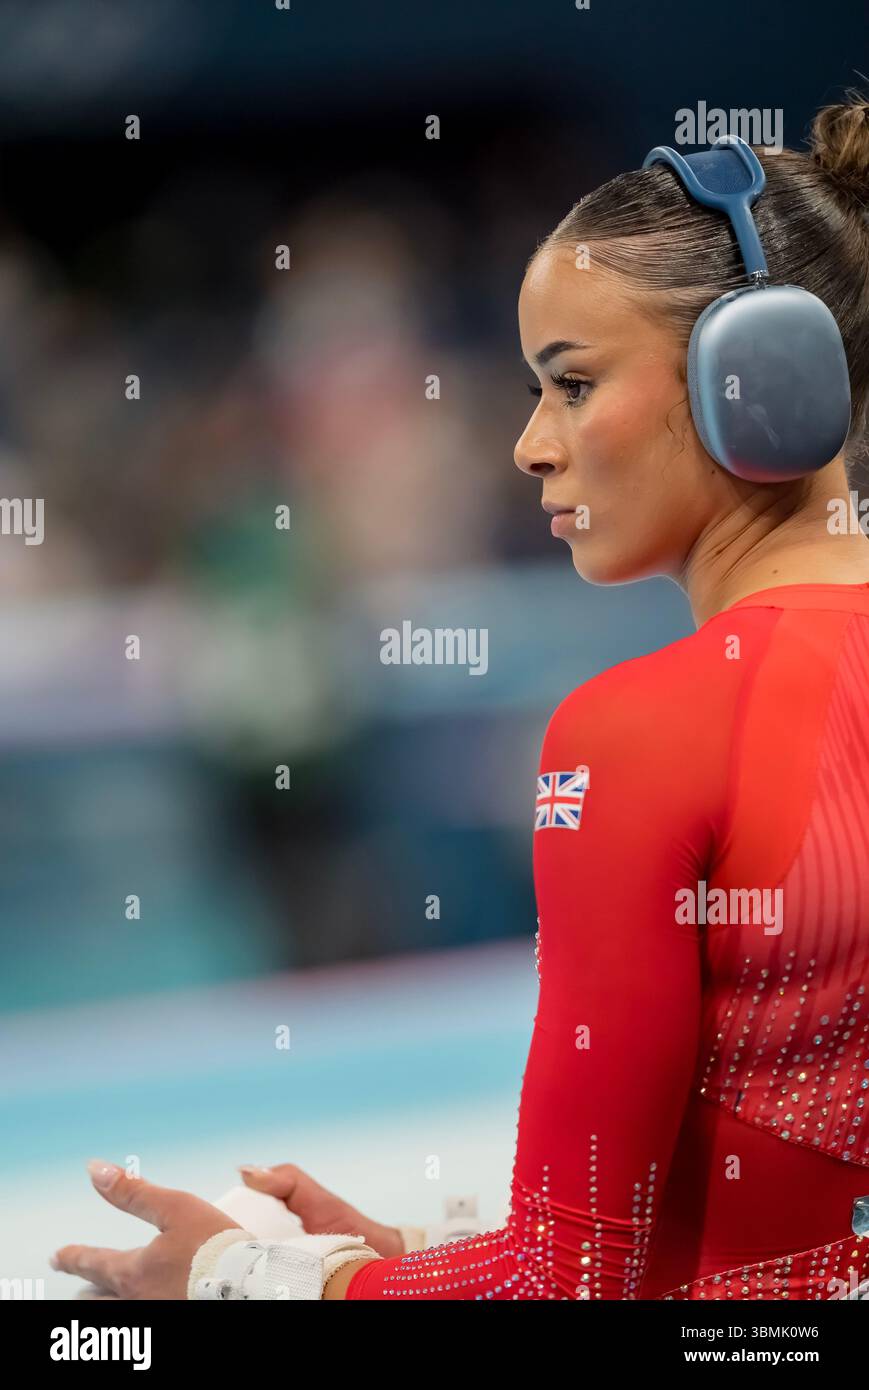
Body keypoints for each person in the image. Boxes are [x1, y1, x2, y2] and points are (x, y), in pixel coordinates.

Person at [53, 92, 869, 1301]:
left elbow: (564, 1289)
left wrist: (247, 1278)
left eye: (573, 384)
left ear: (750, 380)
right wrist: (402, 1264)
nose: (530, 445)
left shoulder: (643, 730)